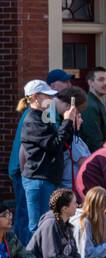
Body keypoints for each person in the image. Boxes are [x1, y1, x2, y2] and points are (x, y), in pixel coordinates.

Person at [20, 80, 80, 231]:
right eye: (47, 96)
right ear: (35, 97)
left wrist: (70, 124)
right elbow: (54, 145)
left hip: (47, 178)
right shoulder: (33, 120)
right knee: (40, 226)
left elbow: (62, 145)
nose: (51, 99)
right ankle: (35, 248)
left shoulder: (44, 116)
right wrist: (67, 121)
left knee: (49, 225)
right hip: (39, 178)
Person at [26, 188, 99, 258]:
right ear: (64, 208)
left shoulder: (67, 225)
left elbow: (75, 254)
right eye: (74, 203)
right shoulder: (50, 223)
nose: (77, 205)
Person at [8, 93, 32, 245]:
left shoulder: (30, 113)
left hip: (21, 170)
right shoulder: (32, 115)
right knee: (24, 213)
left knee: (23, 212)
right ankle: (20, 249)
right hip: (22, 171)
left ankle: (19, 248)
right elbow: (24, 147)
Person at [79, 66, 106, 151]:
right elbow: (94, 142)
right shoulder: (89, 106)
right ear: (90, 83)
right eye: (101, 80)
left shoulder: (95, 103)